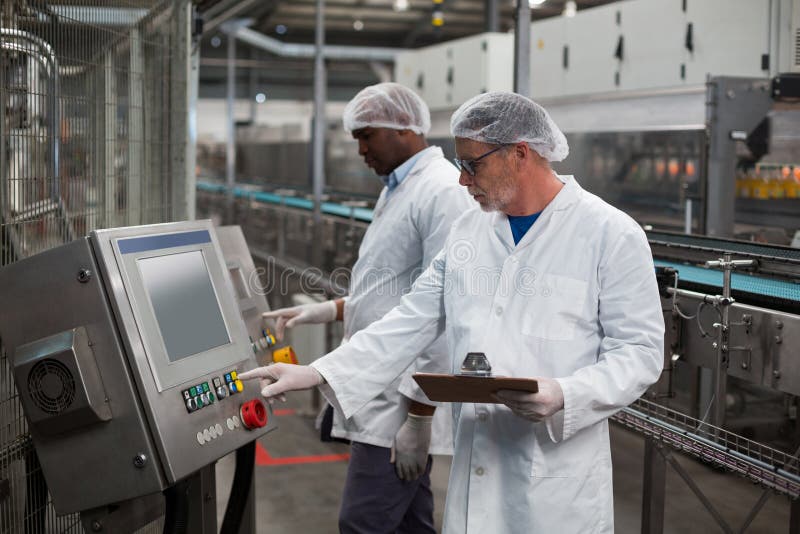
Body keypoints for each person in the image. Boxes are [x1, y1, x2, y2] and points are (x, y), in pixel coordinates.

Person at [243, 92, 665, 533]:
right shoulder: (470, 231)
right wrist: (317, 373)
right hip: (477, 464)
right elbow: (411, 320)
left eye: (472, 164)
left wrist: (565, 394)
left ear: (520, 153)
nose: (462, 181)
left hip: (556, 479)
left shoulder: (610, 234)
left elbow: (638, 352)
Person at [261, 82, 472, 534]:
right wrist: (329, 310)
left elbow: (445, 311)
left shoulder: (440, 192)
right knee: (411, 523)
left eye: (366, 135)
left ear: (403, 128)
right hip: (380, 387)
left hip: (401, 398)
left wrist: (419, 417)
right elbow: (392, 288)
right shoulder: (397, 188)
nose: (360, 149)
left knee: (362, 523)